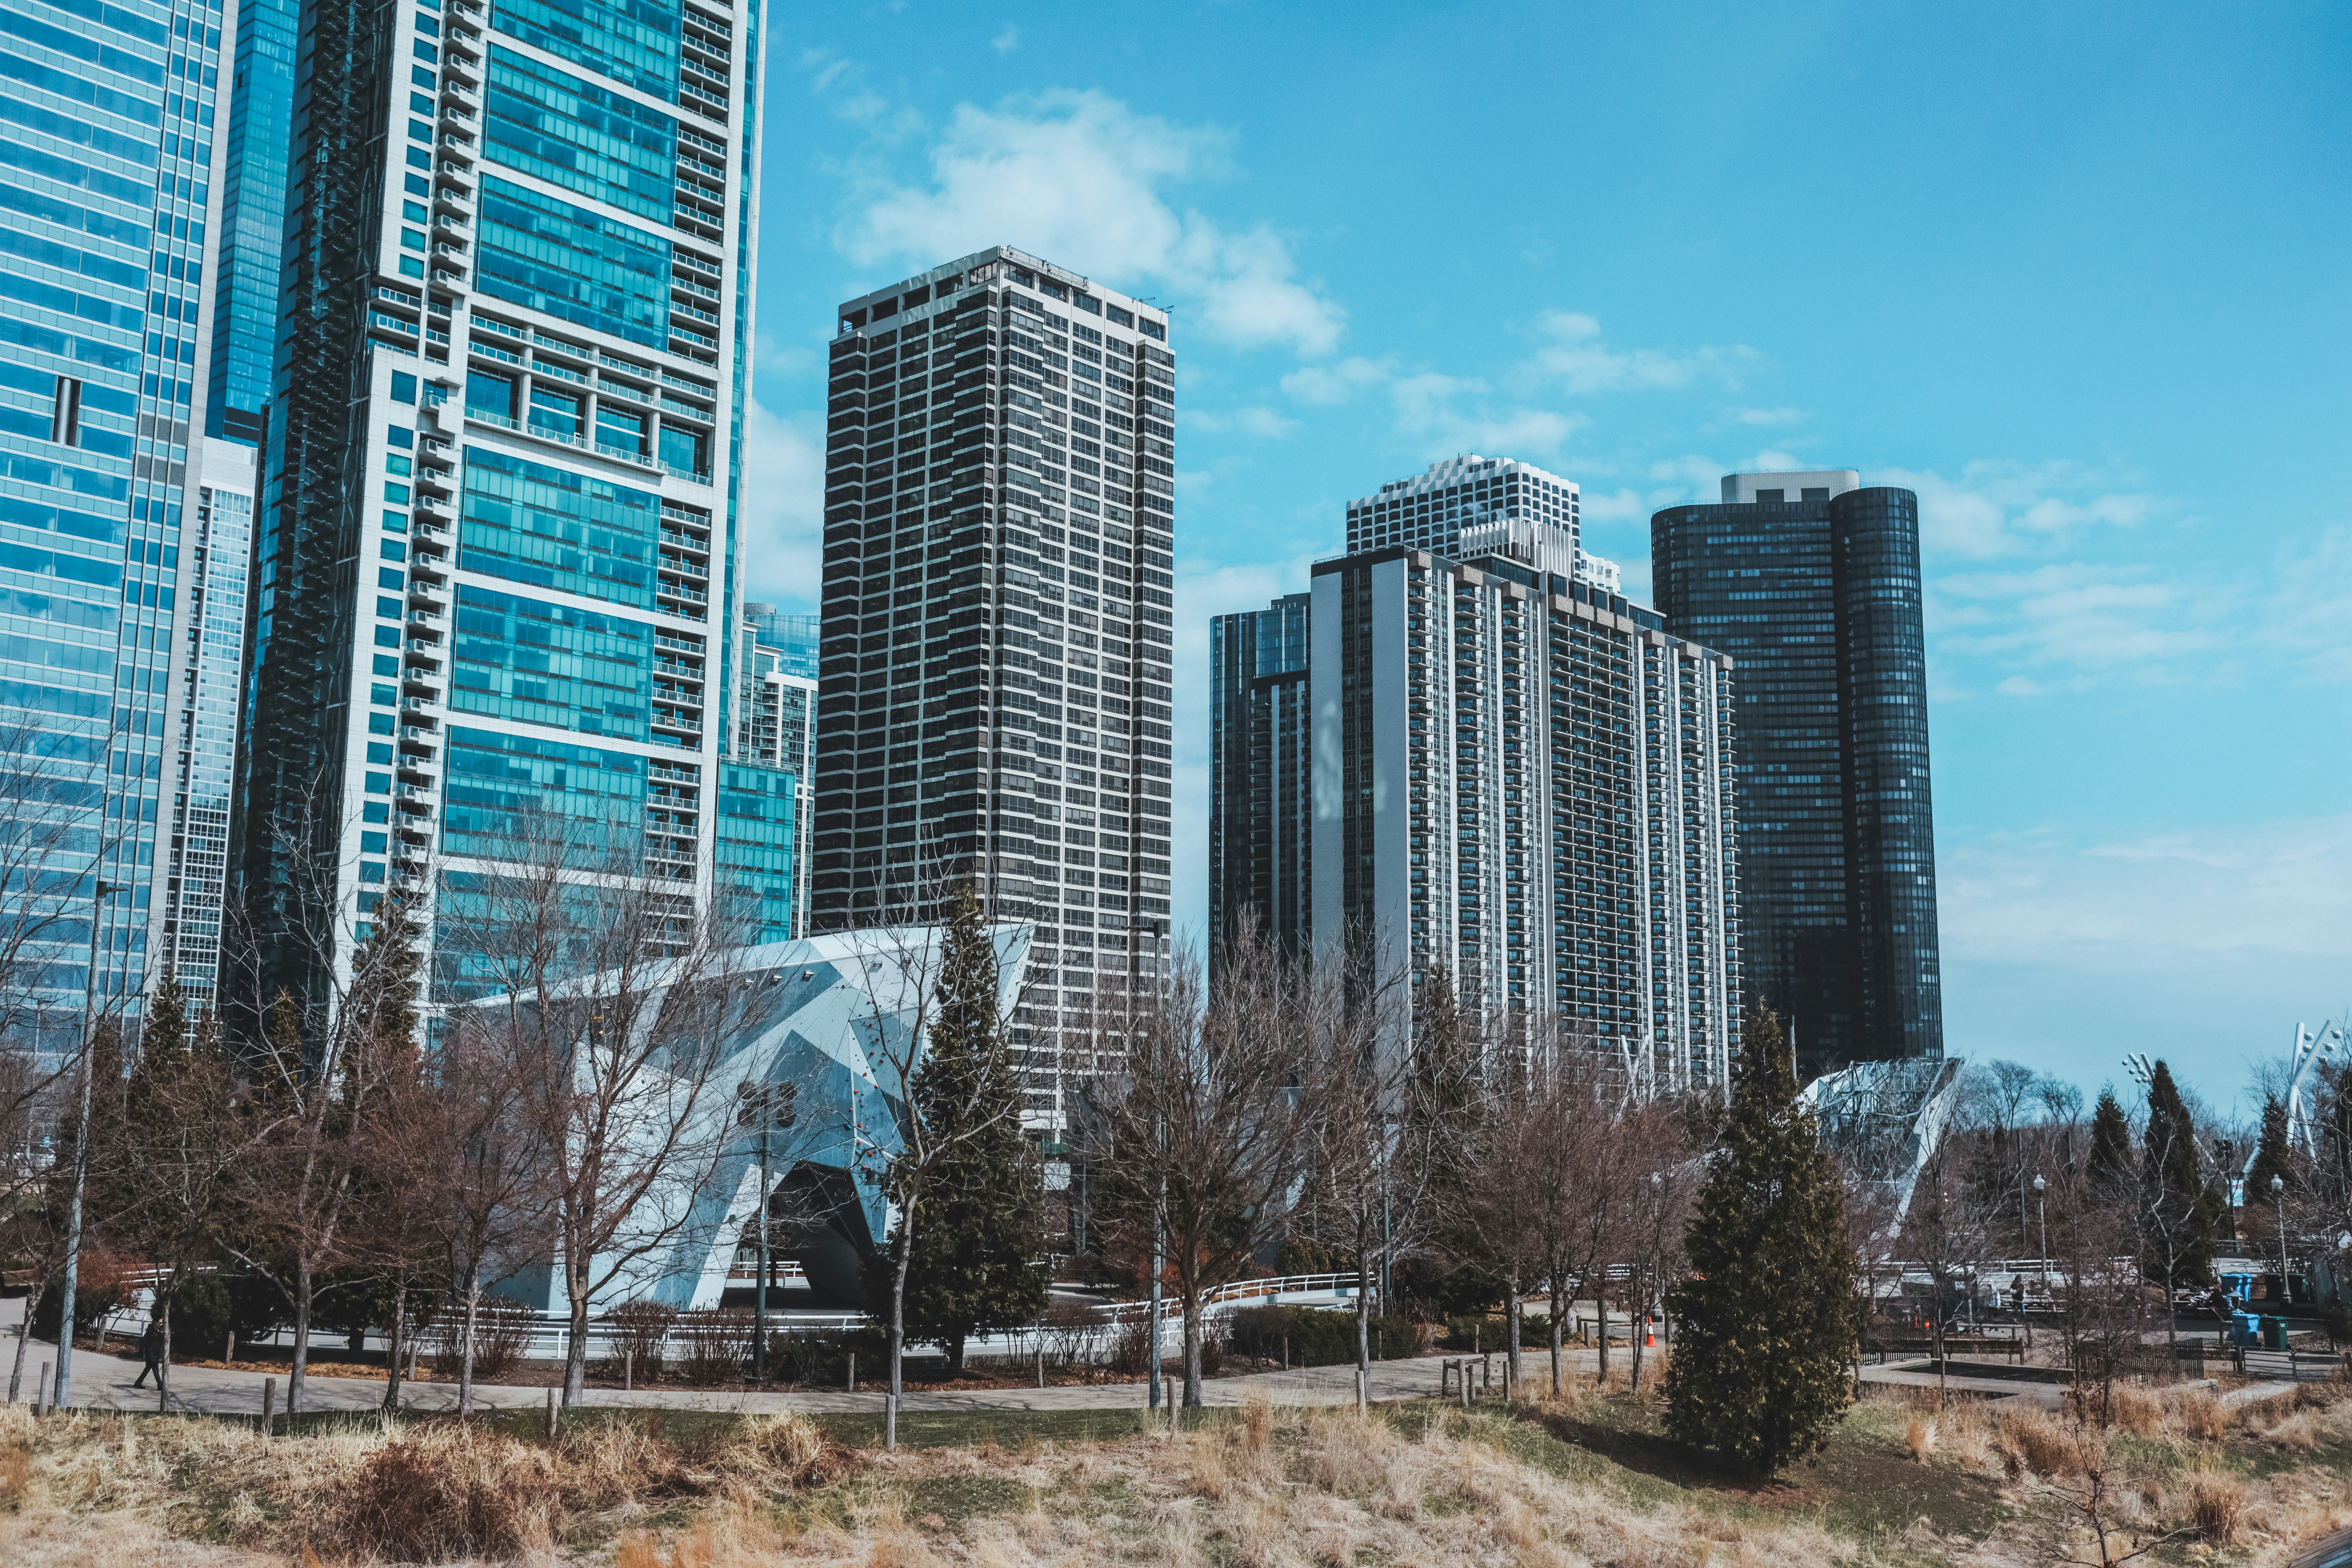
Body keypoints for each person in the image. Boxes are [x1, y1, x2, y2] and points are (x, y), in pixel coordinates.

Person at [131, 1318, 165, 1389]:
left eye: (162, 1323)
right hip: (150, 1352)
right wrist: (140, 1355)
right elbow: (144, 1342)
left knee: (149, 1367)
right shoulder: (150, 1330)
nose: (160, 1325)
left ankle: (138, 1382)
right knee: (155, 1368)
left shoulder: (162, 1330)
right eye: (159, 1323)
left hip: (157, 1353)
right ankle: (160, 1385)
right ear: (155, 1322)